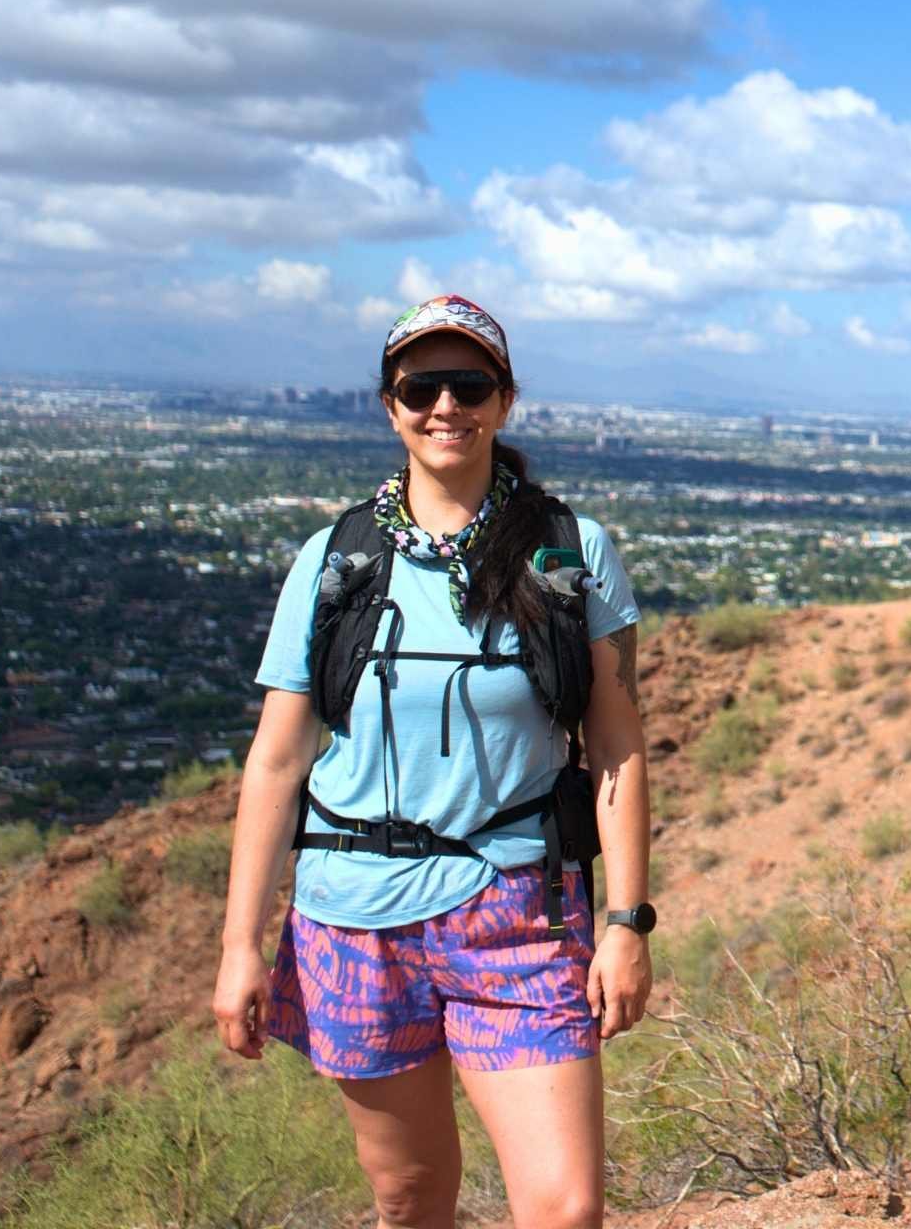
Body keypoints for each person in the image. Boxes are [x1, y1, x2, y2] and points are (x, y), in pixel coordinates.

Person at [212, 294, 651, 1229]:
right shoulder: (335, 559)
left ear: (504, 400)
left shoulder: (570, 552)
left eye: (470, 384)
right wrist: (239, 948)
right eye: (422, 387)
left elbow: (616, 743)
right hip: (353, 918)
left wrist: (627, 921)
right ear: (389, 405)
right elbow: (278, 760)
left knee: (565, 1207)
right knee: (410, 1197)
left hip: (519, 908)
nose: (445, 406)